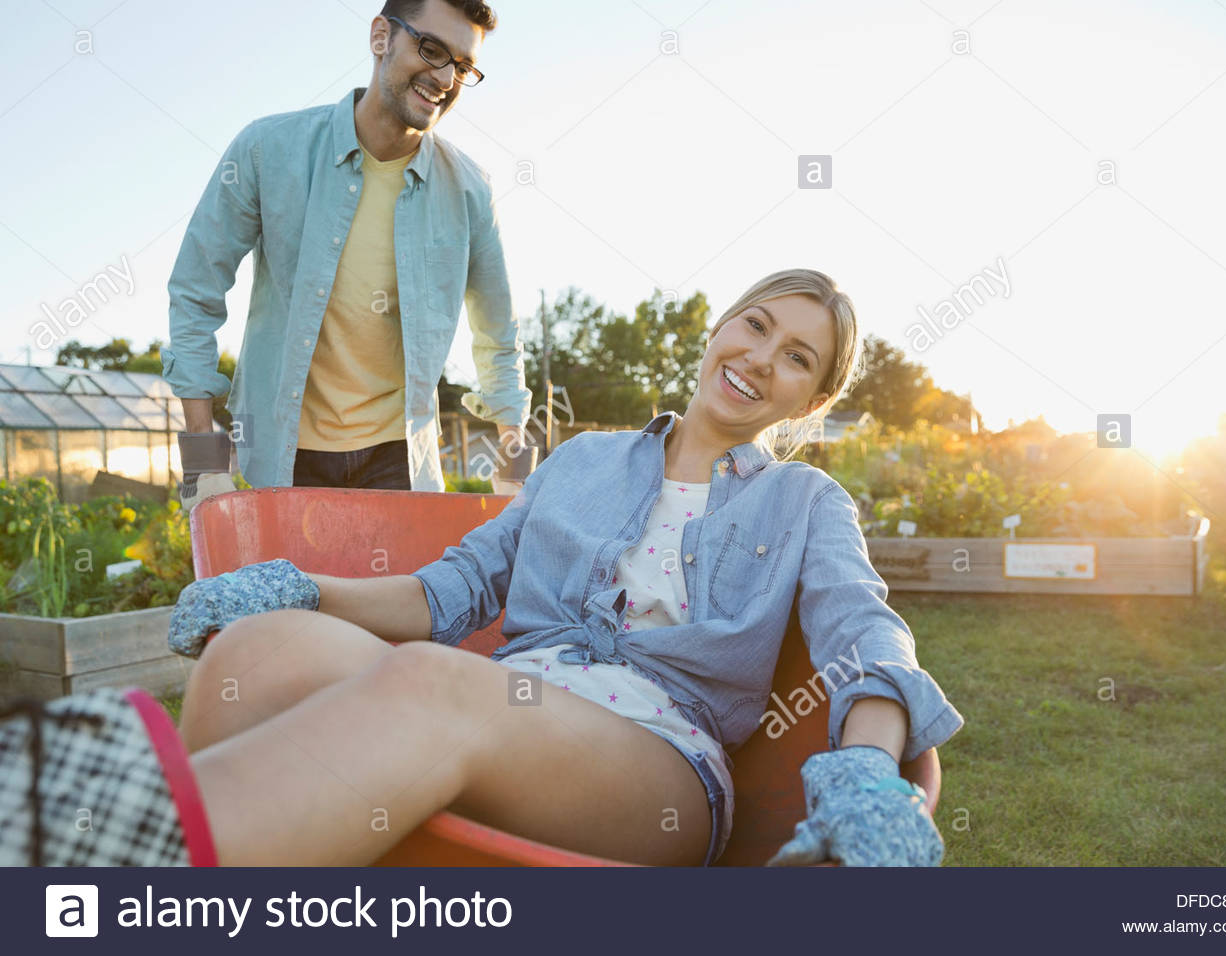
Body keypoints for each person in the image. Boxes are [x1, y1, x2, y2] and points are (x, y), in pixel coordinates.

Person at [0, 269, 963, 867]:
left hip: (653, 767)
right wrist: (297, 587)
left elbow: (867, 641)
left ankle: (109, 871)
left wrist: (871, 771)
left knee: (442, 685)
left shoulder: (804, 505)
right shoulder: (583, 462)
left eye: (797, 357)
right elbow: (450, 592)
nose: (760, 357)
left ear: (811, 397)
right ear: (720, 326)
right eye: (755, 325)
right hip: (503, 706)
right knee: (262, 652)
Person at [161, 0, 532, 512]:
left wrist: (515, 469)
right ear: (381, 37)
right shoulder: (267, 150)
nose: (445, 78)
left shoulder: (470, 190)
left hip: (400, 464)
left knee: (399, 594)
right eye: (431, 50)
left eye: (463, 67)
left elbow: (498, 333)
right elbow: (195, 290)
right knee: (290, 595)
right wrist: (203, 455)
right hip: (284, 458)